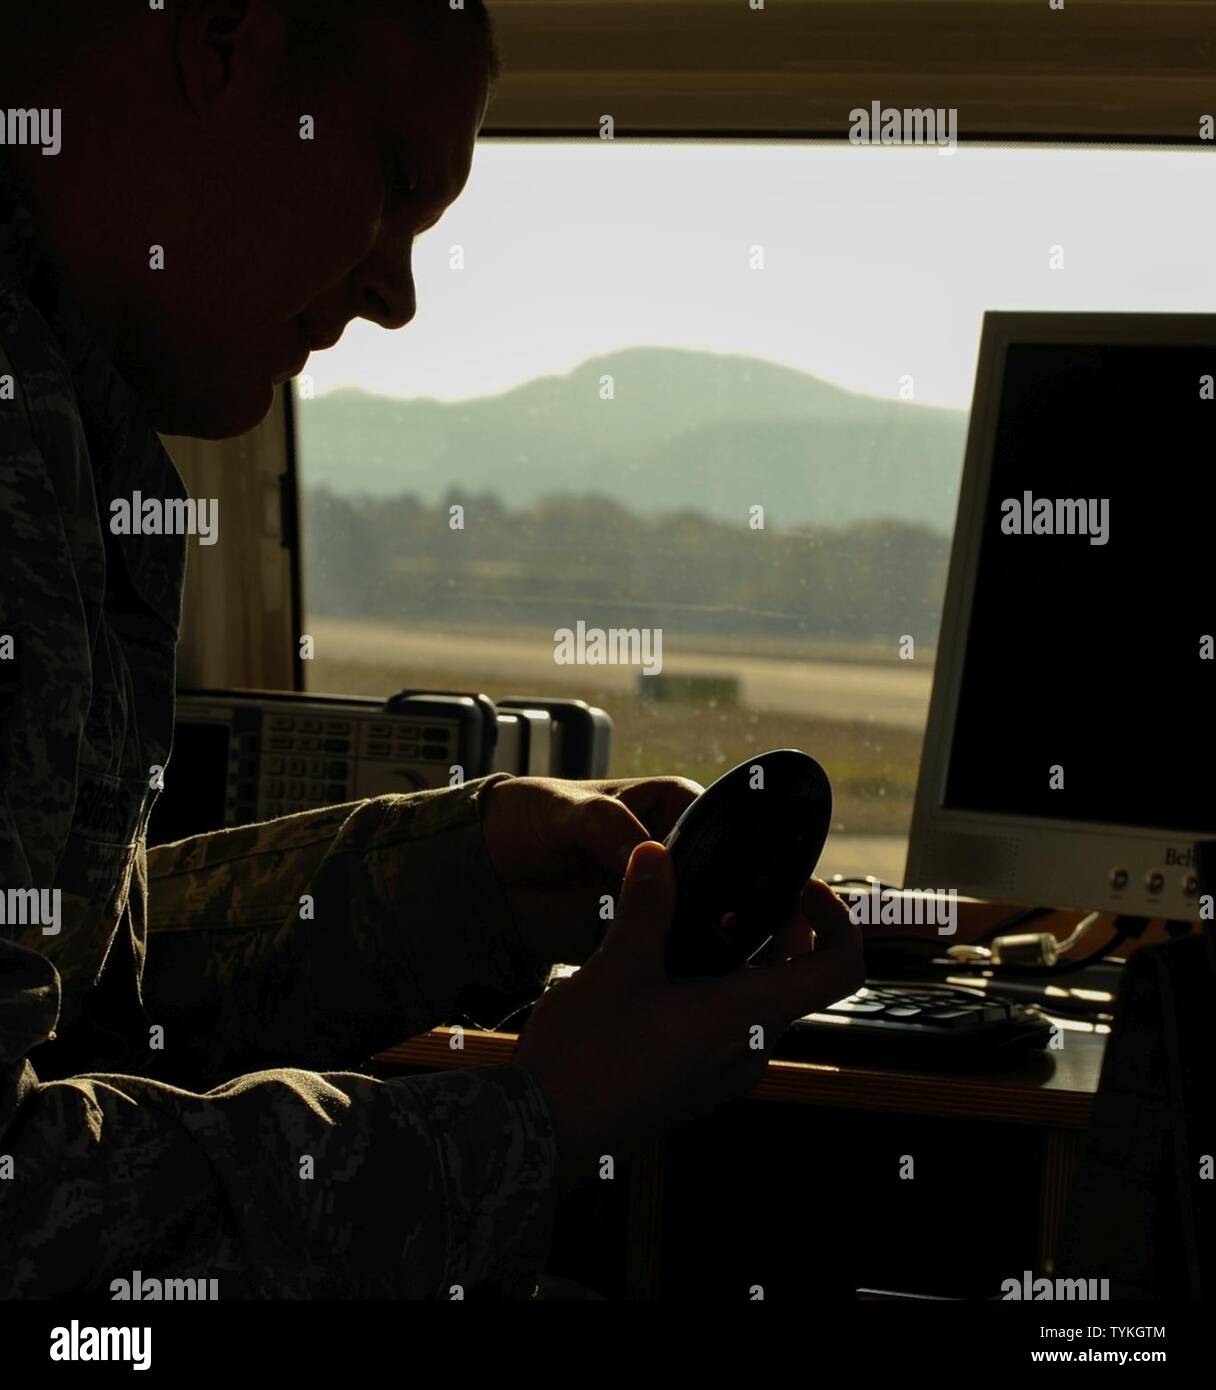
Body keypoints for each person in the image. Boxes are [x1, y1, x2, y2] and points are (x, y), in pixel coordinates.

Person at [0, 0, 863, 1299]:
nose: (395, 297)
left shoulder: (74, 418)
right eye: (396, 182)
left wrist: (466, 879)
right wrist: (537, 1120)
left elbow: (85, 1005)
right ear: (225, 44)